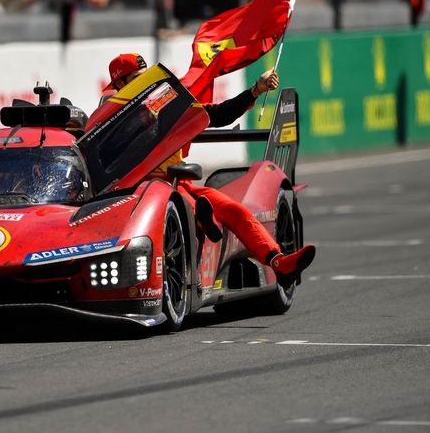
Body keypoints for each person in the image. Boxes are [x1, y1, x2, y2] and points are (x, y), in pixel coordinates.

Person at [98, 53, 315, 287]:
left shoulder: (167, 104)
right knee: (188, 206)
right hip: (139, 193)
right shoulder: (110, 119)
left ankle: (278, 263)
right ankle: (204, 220)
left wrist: (256, 90)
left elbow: (219, 114)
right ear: (120, 84)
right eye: (138, 78)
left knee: (236, 210)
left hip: (179, 184)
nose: (146, 83)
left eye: (147, 76)